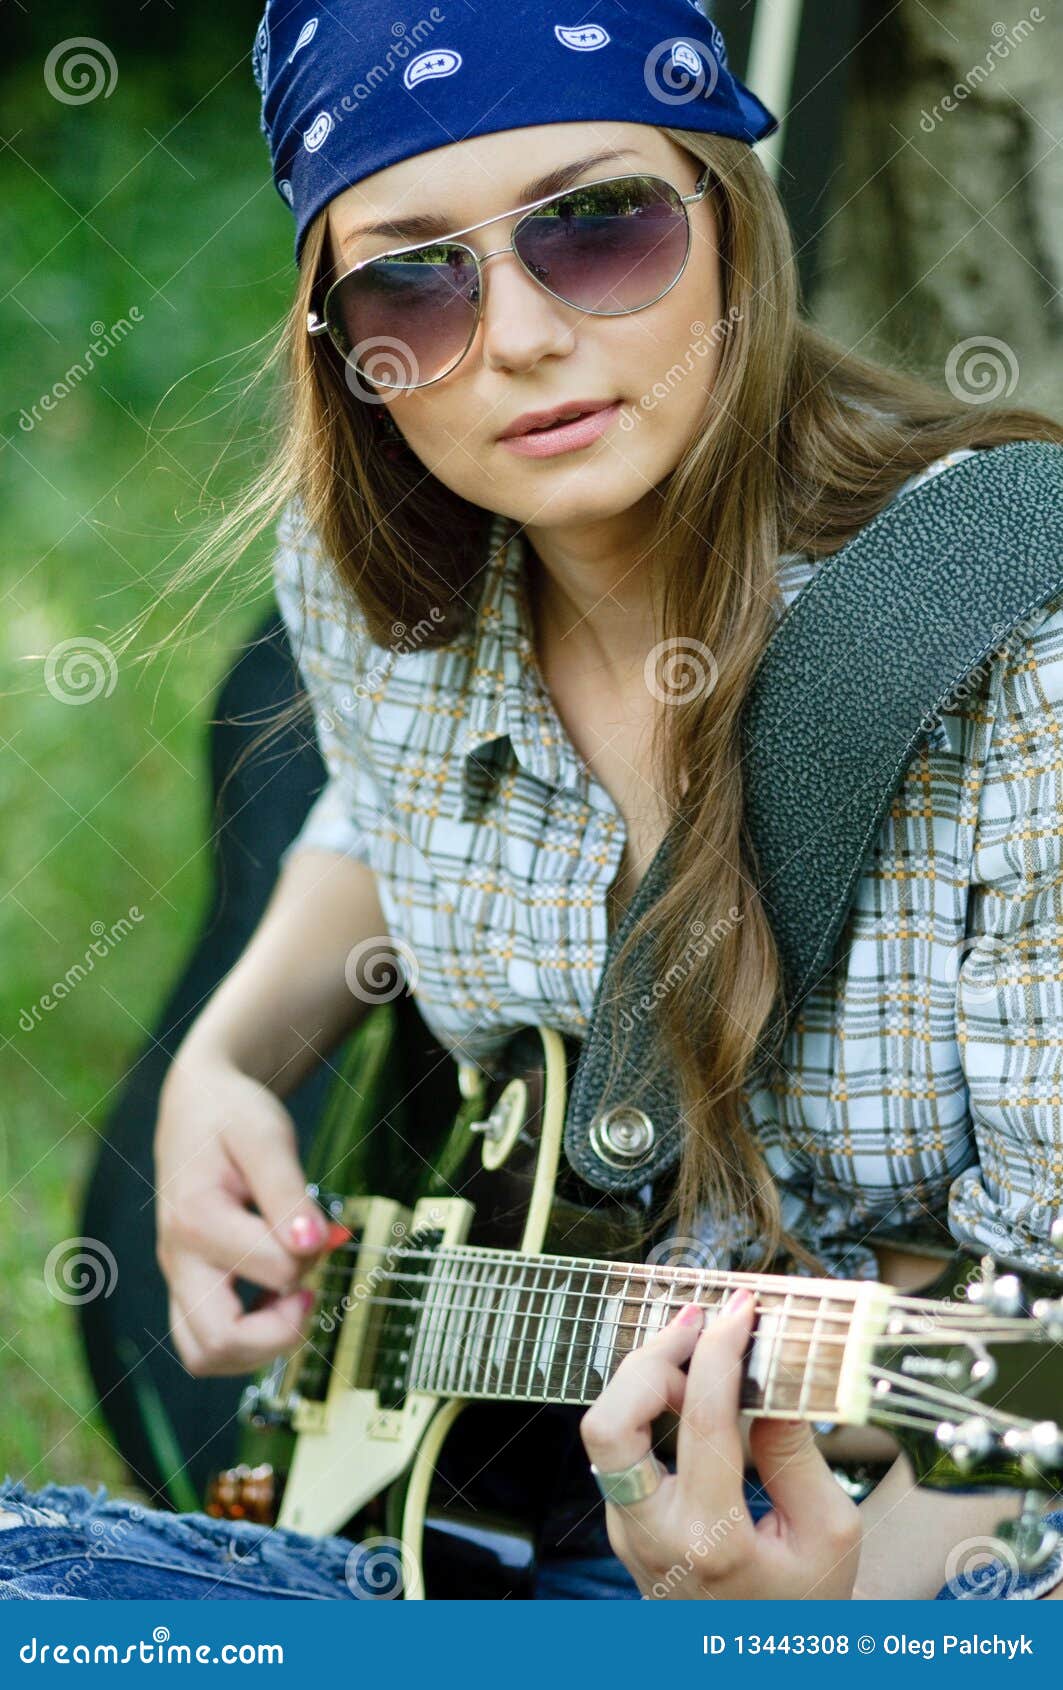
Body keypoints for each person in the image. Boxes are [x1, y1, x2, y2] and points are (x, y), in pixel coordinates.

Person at [5, 0, 1063, 1601]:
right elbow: (383, 813)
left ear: (732, 218)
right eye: (411, 280)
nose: (513, 339)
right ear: (341, 343)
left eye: (599, 227)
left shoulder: (1014, 651)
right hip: (476, 1502)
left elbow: (1036, 1358)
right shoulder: (381, 591)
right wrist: (231, 1059)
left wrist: (820, 1632)